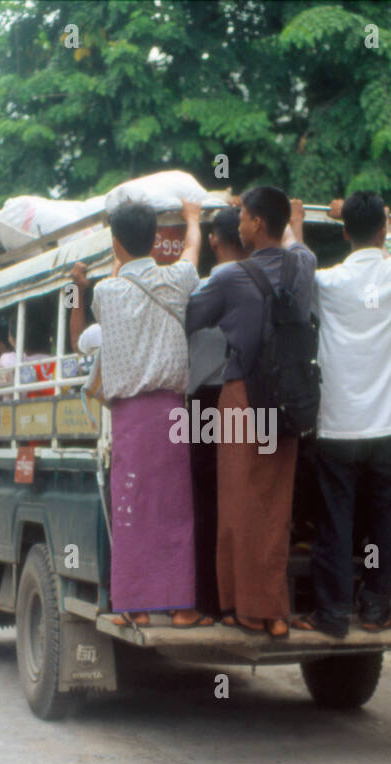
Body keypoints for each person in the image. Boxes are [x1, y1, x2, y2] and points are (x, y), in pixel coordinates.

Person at [67, 198, 208, 629]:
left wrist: (77, 282)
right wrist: (191, 219)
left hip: (129, 418)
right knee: (175, 511)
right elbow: (191, 251)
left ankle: (135, 607)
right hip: (171, 414)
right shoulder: (179, 279)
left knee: (131, 509)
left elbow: (87, 325)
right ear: (154, 239)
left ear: (115, 243)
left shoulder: (107, 293)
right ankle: (182, 607)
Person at [185, 186, 317, 637]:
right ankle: (276, 611)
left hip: (244, 395)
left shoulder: (230, 278)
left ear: (257, 224)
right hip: (292, 398)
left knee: (239, 502)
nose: (238, 222)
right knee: (277, 506)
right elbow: (296, 244)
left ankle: (245, 608)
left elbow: (189, 318)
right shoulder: (305, 263)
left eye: (242, 215)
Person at [288, 192, 391, 636]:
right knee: (383, 518)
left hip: (339, 422)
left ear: (343, 234)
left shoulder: (328, 283)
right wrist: (375, 219)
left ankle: (333, 613)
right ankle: (377, 608)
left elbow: (298, 264)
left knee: (335, 520)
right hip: (388, 424)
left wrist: (297, 220)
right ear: (384, 230)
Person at [185, 205, 248, 618]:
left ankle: (208, 599)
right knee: (244, 501)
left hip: (205, 404)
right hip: (256, 401)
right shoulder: (271, 281)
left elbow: (184, 319)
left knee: (204, 504)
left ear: (213, 241)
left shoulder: (205, 289)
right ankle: (245, 600)